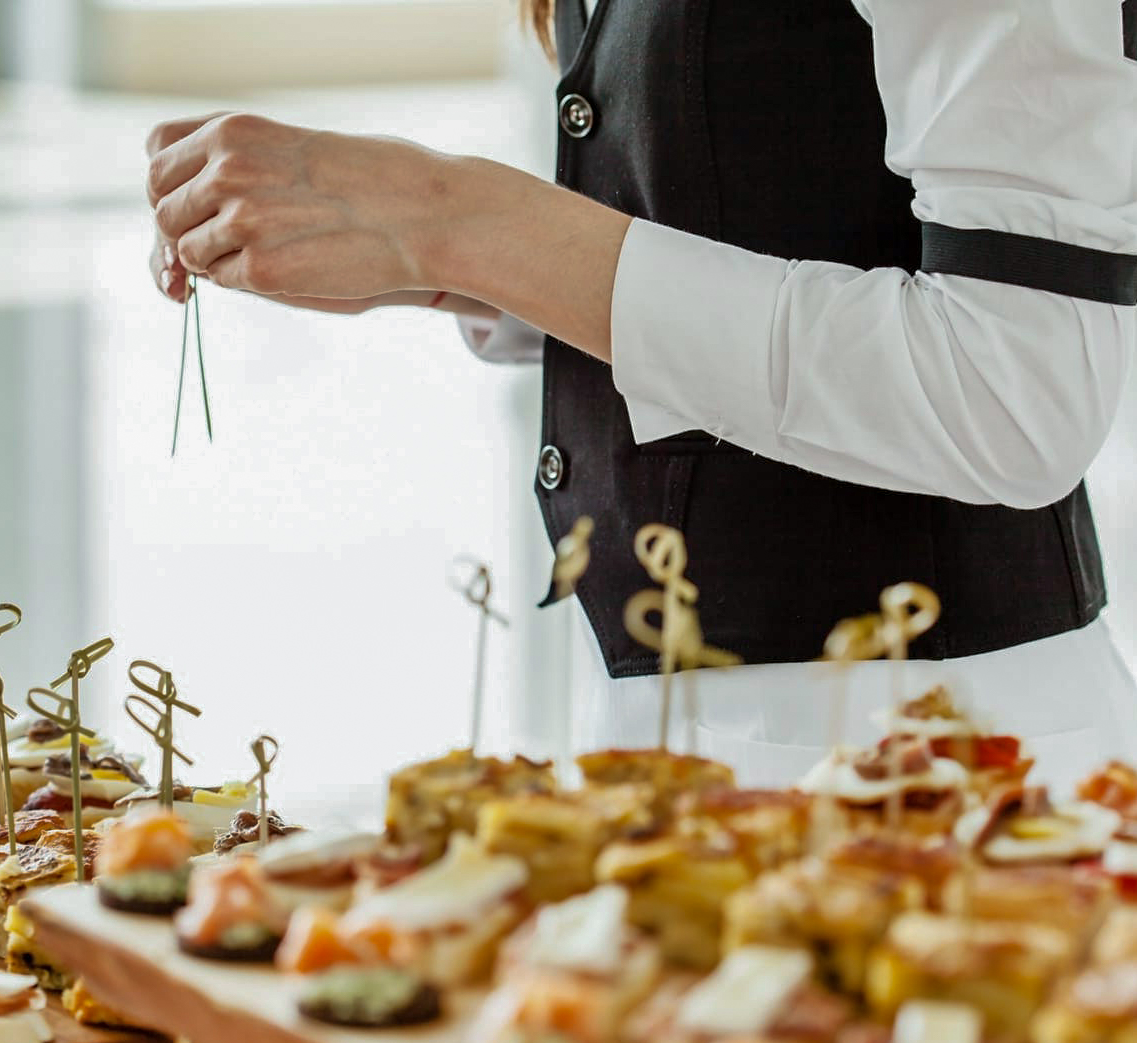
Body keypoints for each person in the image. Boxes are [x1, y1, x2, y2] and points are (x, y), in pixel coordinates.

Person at [144, 0, 1137, 785]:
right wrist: (434, 257)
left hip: (952, 782)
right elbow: (767, 207)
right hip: (679, 751)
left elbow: (1016, 394)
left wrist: (461, 218)